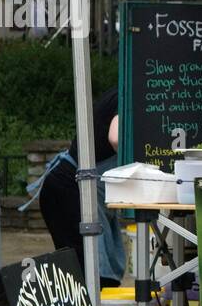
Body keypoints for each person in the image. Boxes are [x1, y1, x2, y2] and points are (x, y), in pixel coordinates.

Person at [26, 87, 127, 287]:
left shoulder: (121, 92)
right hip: (69, 191)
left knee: (98, 274)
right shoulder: (126, 97)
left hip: (82, 192)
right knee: (87, 276)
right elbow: (115, 138)